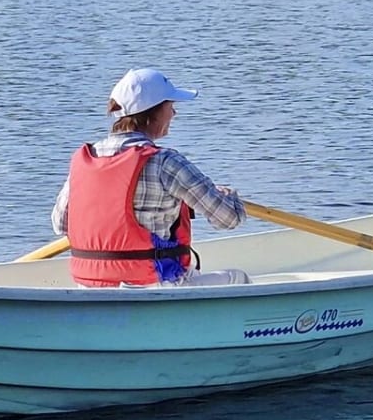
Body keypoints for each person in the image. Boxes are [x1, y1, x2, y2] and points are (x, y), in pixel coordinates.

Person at [51, 67, 250, 287]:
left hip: (90, 285)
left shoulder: (86, 161)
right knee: (238, 278)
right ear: (153, 112)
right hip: (154, 284)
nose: (174, 114)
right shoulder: (166, 163)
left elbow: (60, 224)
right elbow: (229, 219)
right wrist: (228, 194)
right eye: (170, 106)